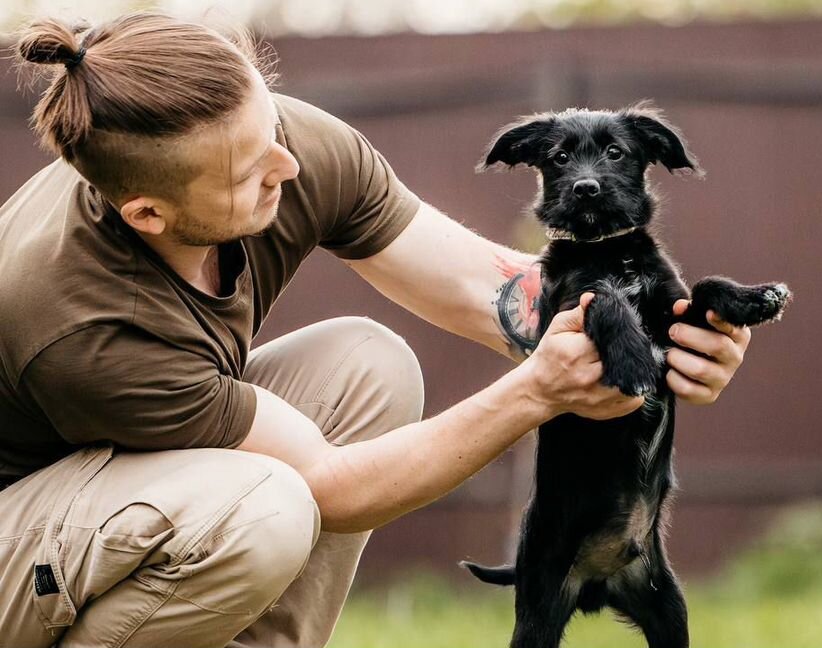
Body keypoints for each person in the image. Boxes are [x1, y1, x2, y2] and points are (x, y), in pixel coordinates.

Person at [0, 13, 752, 648]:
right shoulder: (83, 327)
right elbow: (332, 489)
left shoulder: (273, 146)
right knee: (267, 507)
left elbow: (474, 280)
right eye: (249, 172)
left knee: (369, 361)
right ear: (147, 216)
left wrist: (664, 335)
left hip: (121, 472)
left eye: (274, 126)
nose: (287, 166)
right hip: (16, 518)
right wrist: (534, 393)